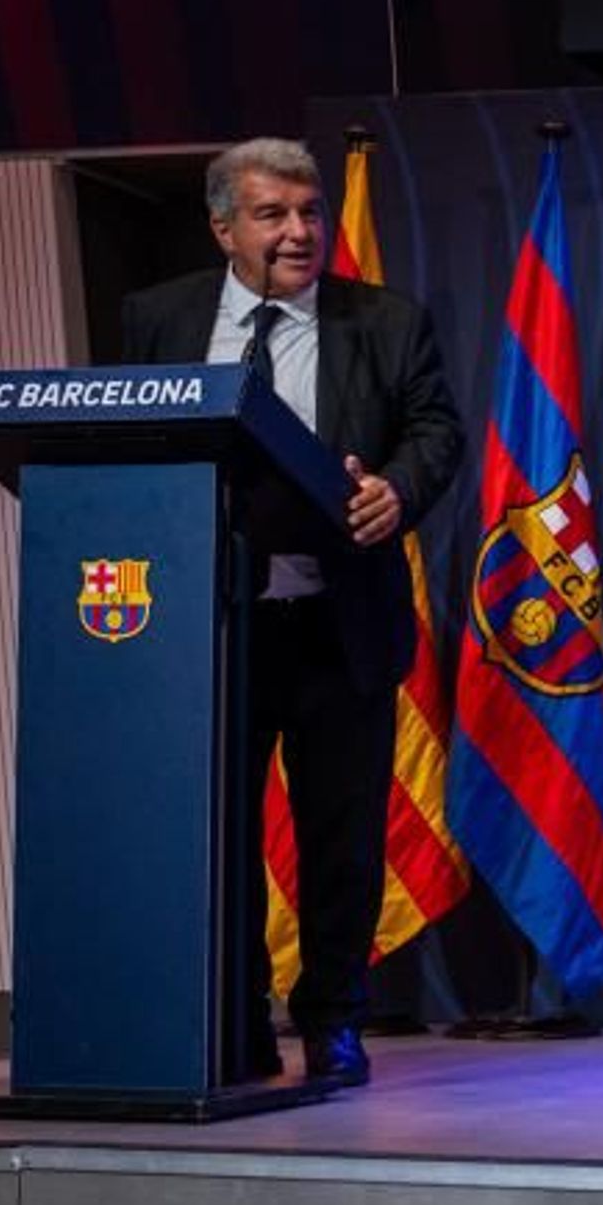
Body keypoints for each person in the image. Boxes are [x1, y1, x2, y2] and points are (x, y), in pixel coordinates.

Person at [118, 137, 464, 1088]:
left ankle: (333, 1024)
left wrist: (397, 488)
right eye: (273, 215)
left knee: (340, 838)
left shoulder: (385, 322)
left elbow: (437, 430)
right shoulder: (159, 318)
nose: (300, 231)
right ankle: (233, 1024)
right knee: (219, 840)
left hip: (338, 626)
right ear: (223, 226)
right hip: (210, 632)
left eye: (310, 212)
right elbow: (127, 441)